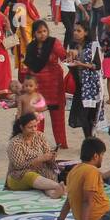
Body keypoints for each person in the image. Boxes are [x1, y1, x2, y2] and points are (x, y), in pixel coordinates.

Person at [24, 20, 68, 149]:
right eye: (39, 32)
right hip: (38, 87)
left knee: (58, 115)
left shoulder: (54, 43)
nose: (42, 34)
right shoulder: (31, 47)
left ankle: (61, 143)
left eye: (44, 31)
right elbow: (29, 68)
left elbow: (64, 57)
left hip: (55, 85)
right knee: (38, 116)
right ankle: (38, 142)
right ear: (34, 33)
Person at [5, 112, 64, 197]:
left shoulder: (40, 136)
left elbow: (47, 154)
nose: (34, 129)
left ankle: (53, 194)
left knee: (48, 174)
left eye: (35, 126)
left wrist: (51, 156)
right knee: (30, 175)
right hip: (18, 176)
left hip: (41, 171)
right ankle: (57, 186)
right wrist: (39, 159)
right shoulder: (15, 143)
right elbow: (19, 166)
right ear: (22, 127)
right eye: (30, 127)